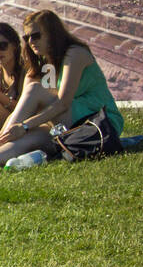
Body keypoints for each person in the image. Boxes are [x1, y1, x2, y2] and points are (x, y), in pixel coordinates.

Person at [0, 10, 125, 166]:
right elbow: (32, 103)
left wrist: (24, 126)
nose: (31, 41)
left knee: (34, 90)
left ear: (52, 34)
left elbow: (62, 102)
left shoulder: (75, 53)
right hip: (66, 125)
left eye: (36, 35)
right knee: (22, 142)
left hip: (99, 121)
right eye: (27, 37)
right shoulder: (45, 62)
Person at [0, 23, 22, 122]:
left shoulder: (27, 73)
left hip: (21, 125)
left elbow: (26, 110)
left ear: (14, 46)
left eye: (2, 46)